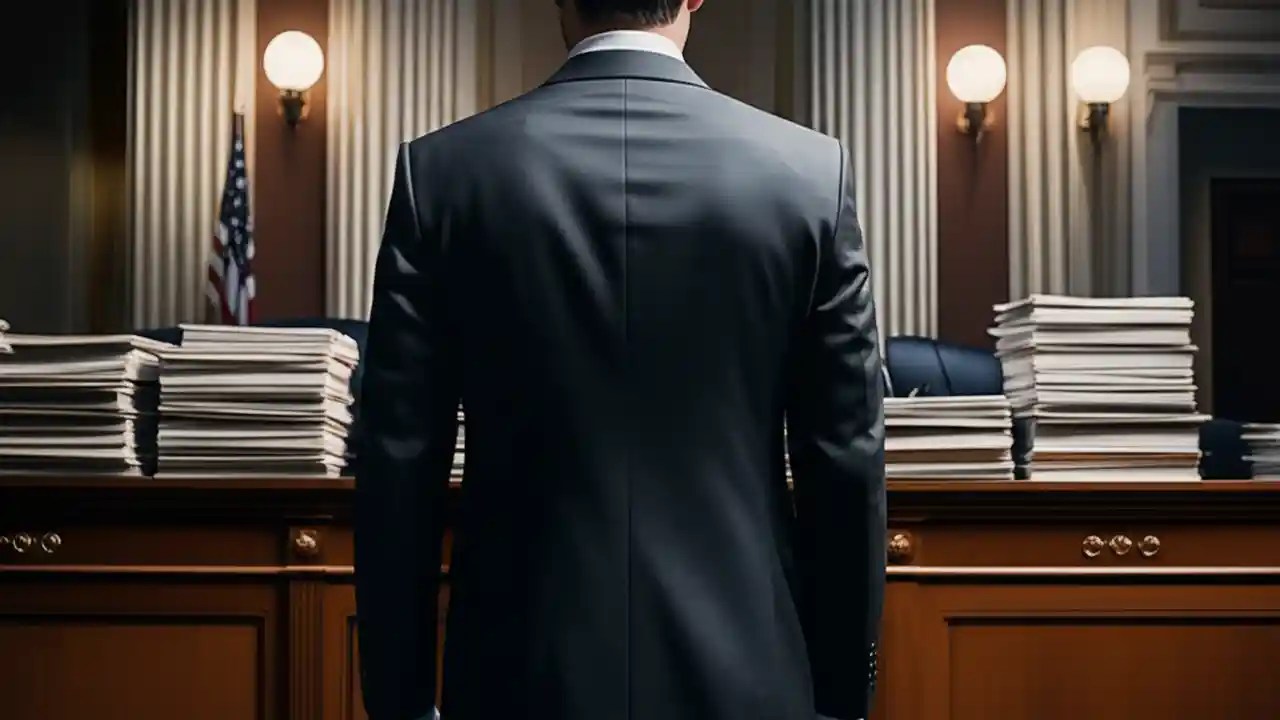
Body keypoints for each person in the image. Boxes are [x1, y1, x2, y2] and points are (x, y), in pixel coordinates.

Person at [354, 1, 886, 718]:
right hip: (748, 672)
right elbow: (845, 462)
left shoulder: (441, 176)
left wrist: (401, 703)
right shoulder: (811, 176)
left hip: (516, 671)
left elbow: (399, 469)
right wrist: (845, 697)